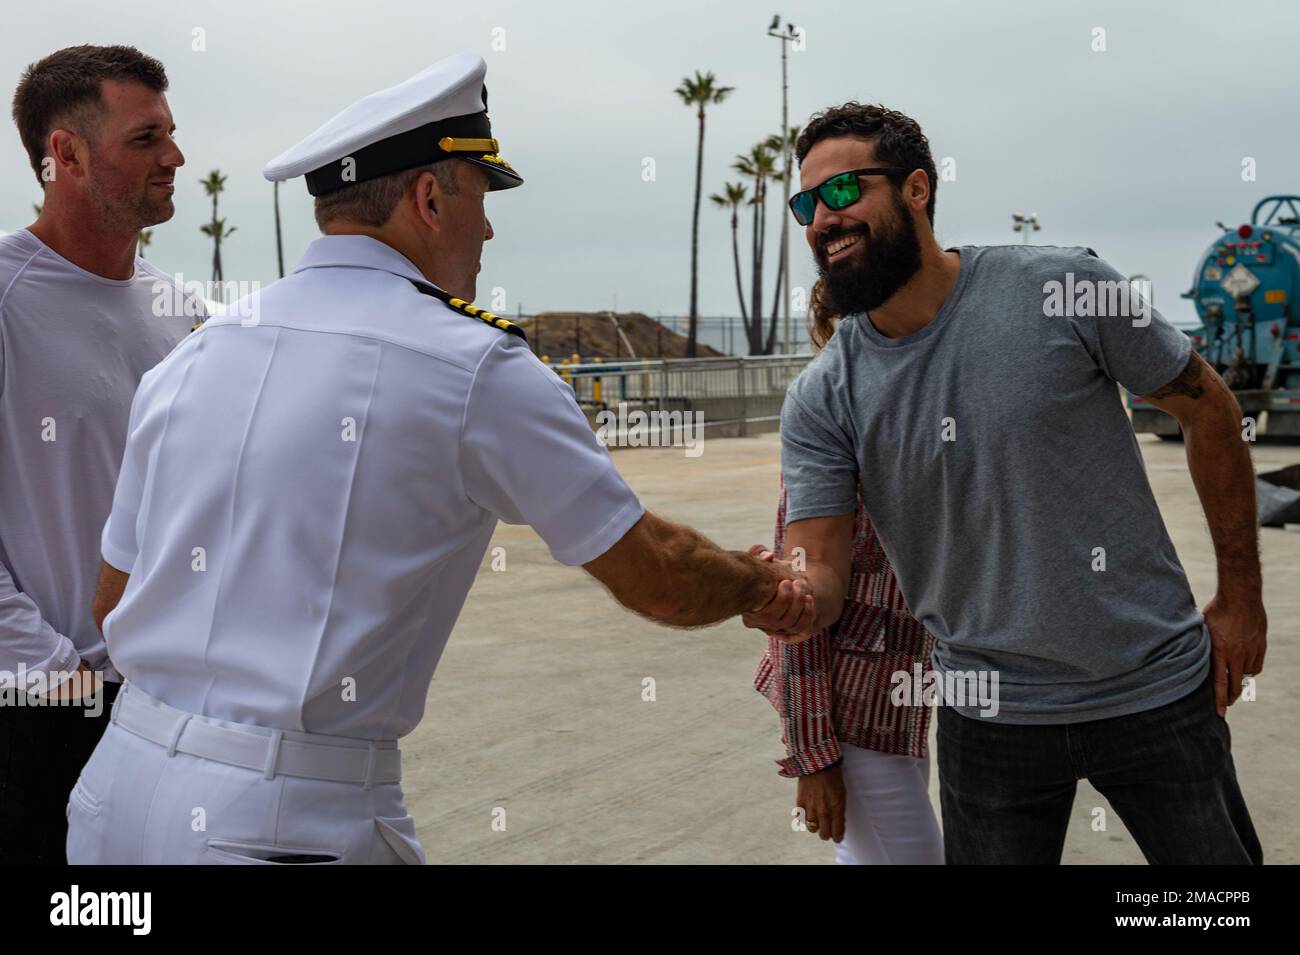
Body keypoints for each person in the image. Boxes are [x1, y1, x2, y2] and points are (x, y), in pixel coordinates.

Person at [67, 53, 812, 865]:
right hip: (278, 821)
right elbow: (660, 577)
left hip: (116, 794)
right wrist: (763, 582)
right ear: (429, 197)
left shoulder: (195, 353)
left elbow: (113, 604)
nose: (488, 229)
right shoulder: (473, 366)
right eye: (481, 197)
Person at [747, 102, 1266, 864]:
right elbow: (821, 569)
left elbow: (1210, 409)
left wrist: (1242, 594)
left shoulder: (1064, 287)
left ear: (917, 188)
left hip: (1154, 688)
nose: (823, 219)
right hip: (987, 720)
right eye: (807, 205)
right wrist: (786, 598)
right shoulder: (824, 395)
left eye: (843, 191)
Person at [0, 44, 197, 864]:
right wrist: (62, 681)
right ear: (67, 155)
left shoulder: (180, 309)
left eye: (172, 134)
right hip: (44, 719)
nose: (176, 157)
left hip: (176, 707)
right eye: (146, 138)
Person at [752, 470, 942, 864]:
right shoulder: (832, 428)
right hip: (851, 715)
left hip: (905, 704)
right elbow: (796, 613)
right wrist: (815, 756)